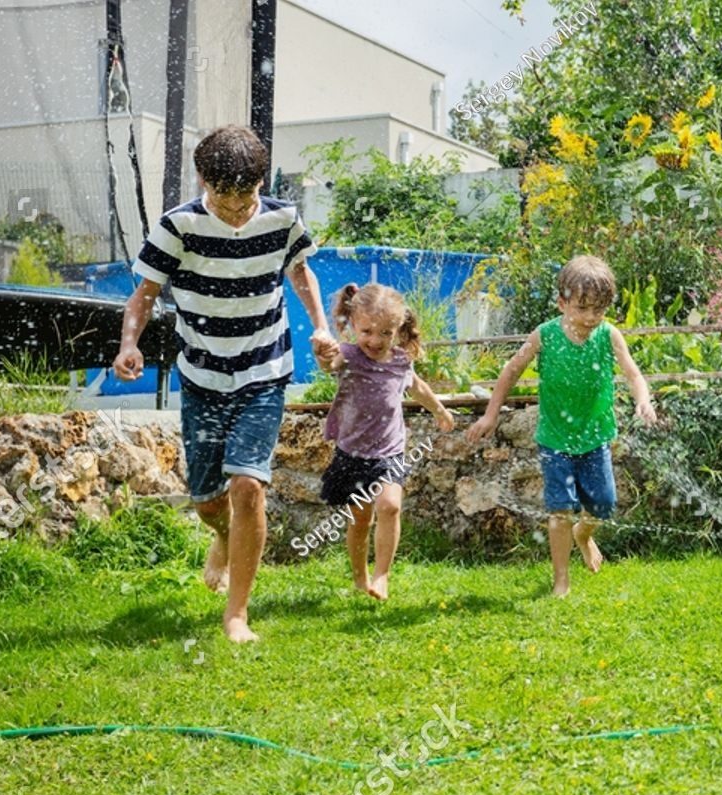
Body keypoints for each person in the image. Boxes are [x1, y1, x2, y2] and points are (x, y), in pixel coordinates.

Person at [113, 124, 337, 643]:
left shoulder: (283, 218)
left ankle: (237, 613)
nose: (237, 214)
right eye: (225, 203)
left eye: (246, 203)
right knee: (208, 500)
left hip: (264, 370)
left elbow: (300, 272)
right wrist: (130, 344)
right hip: (202, 376)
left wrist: (321, 326)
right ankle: (221, 535)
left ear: (263, 182)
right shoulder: (178, 227)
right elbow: (144, 294)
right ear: (202, 181)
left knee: (247, 486)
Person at [466, 255, 657, 597]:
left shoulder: (609, 335)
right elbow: (511, 370)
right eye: (582, 308)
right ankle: (561, 579)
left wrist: (643, 399)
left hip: (594, 437)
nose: (590, 318)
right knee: (560, 509)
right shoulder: (544, 336)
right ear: (562, 302)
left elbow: (633, 373)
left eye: (598, 310)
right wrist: (491, 415)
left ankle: (584, 535)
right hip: (555, 438)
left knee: (603, 505)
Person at [318, 282, 456, 601]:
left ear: (398, 329)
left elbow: (417, 386)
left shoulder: (400, 361)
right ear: (354, 325)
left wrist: (439, 410)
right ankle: (359, 577)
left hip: (389, 451)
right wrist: (323, 356)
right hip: (352, 453)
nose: (375, 341)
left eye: (385, 333)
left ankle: (382, 575)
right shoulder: (349, 356)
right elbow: (331, 364)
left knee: (391, 507)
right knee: (360, 519)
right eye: (366, 331)